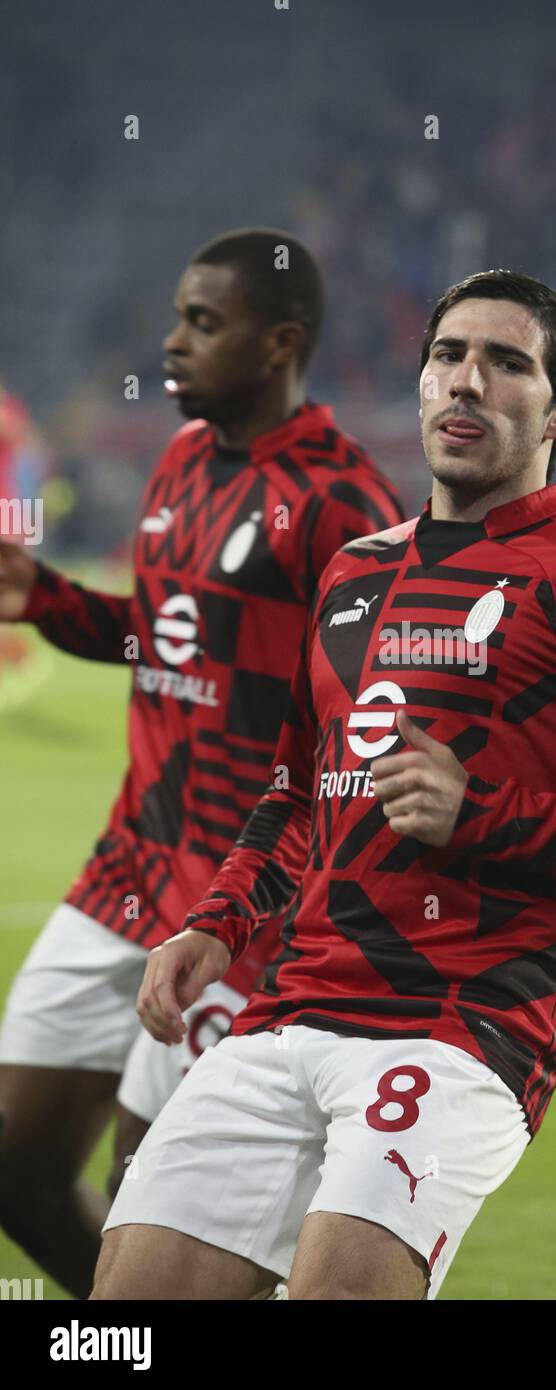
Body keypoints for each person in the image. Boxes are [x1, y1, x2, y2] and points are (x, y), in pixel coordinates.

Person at [93, 269, 556, 1302]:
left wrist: (479, 816)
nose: (466, 383)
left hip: (464, 1021)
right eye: (447, 357)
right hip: (289, 1007)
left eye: (506, 364)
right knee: (125, 1311)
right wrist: (216, 926)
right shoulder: (351, 573)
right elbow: (298, 790)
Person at [0, 227, 404, 1298]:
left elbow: (365, 726)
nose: (171, 342)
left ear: (279, 344)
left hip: (235, 903)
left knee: (165, 1222)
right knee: (16, 1162)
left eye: (202, 323)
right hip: (124, 867)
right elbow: (166, 637)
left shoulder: (343, 506)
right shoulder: (180, 459)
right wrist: (45, 597)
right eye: (179, 316)